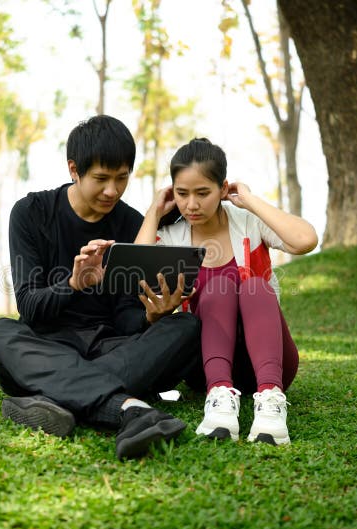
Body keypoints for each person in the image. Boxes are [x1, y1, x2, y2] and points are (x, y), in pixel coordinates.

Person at [0, 116, 201, 460]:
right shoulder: (31, 213)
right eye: (101, 178)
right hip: (48, 344)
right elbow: (30, 308)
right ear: (74, 169)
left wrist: (151, 317)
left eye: (121, 178)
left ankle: (46, 395)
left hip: (111, 347)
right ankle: (129, 409)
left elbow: (126, 318)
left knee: (187, 327)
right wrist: (73, 283)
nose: (112, 190)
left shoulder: (130, 223)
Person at [134, 138, 318, 445]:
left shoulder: (249, 223)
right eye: (182, 194)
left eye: (203, 193)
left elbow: (305, 240)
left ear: (223, 189)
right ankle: (220, 400)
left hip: (271, 360)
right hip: (205, 369)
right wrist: (154, 212)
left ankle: (270, 402)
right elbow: (138, 274)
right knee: (218, 290)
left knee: (255, 286)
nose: (191, 204)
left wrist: (249, 200)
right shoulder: (171, 238)